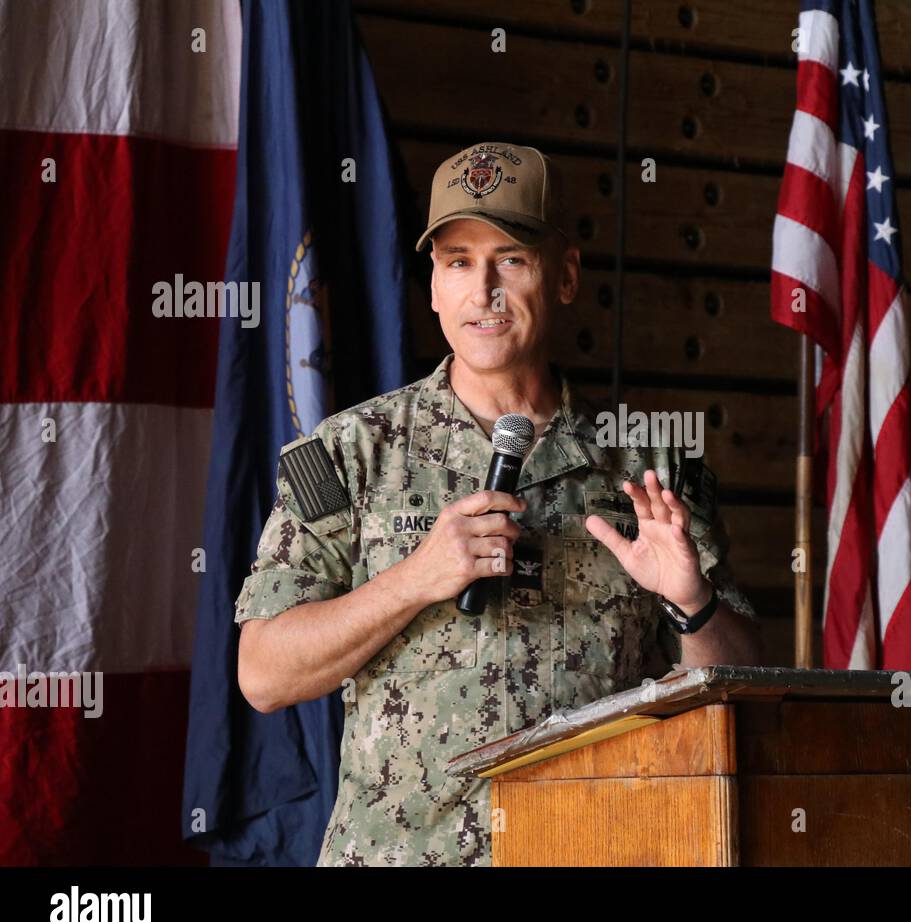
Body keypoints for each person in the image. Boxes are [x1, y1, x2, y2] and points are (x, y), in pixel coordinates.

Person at [234, 142, 762, 866]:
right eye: (458, 261)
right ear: (433, 286)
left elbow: (738, 685)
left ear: (565, 275)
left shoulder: (650, 464)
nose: (482, 289)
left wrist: (692, 604)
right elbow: (263, 674)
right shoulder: (354, 452)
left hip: (592, 852)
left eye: (510, 259)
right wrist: (413, 580)